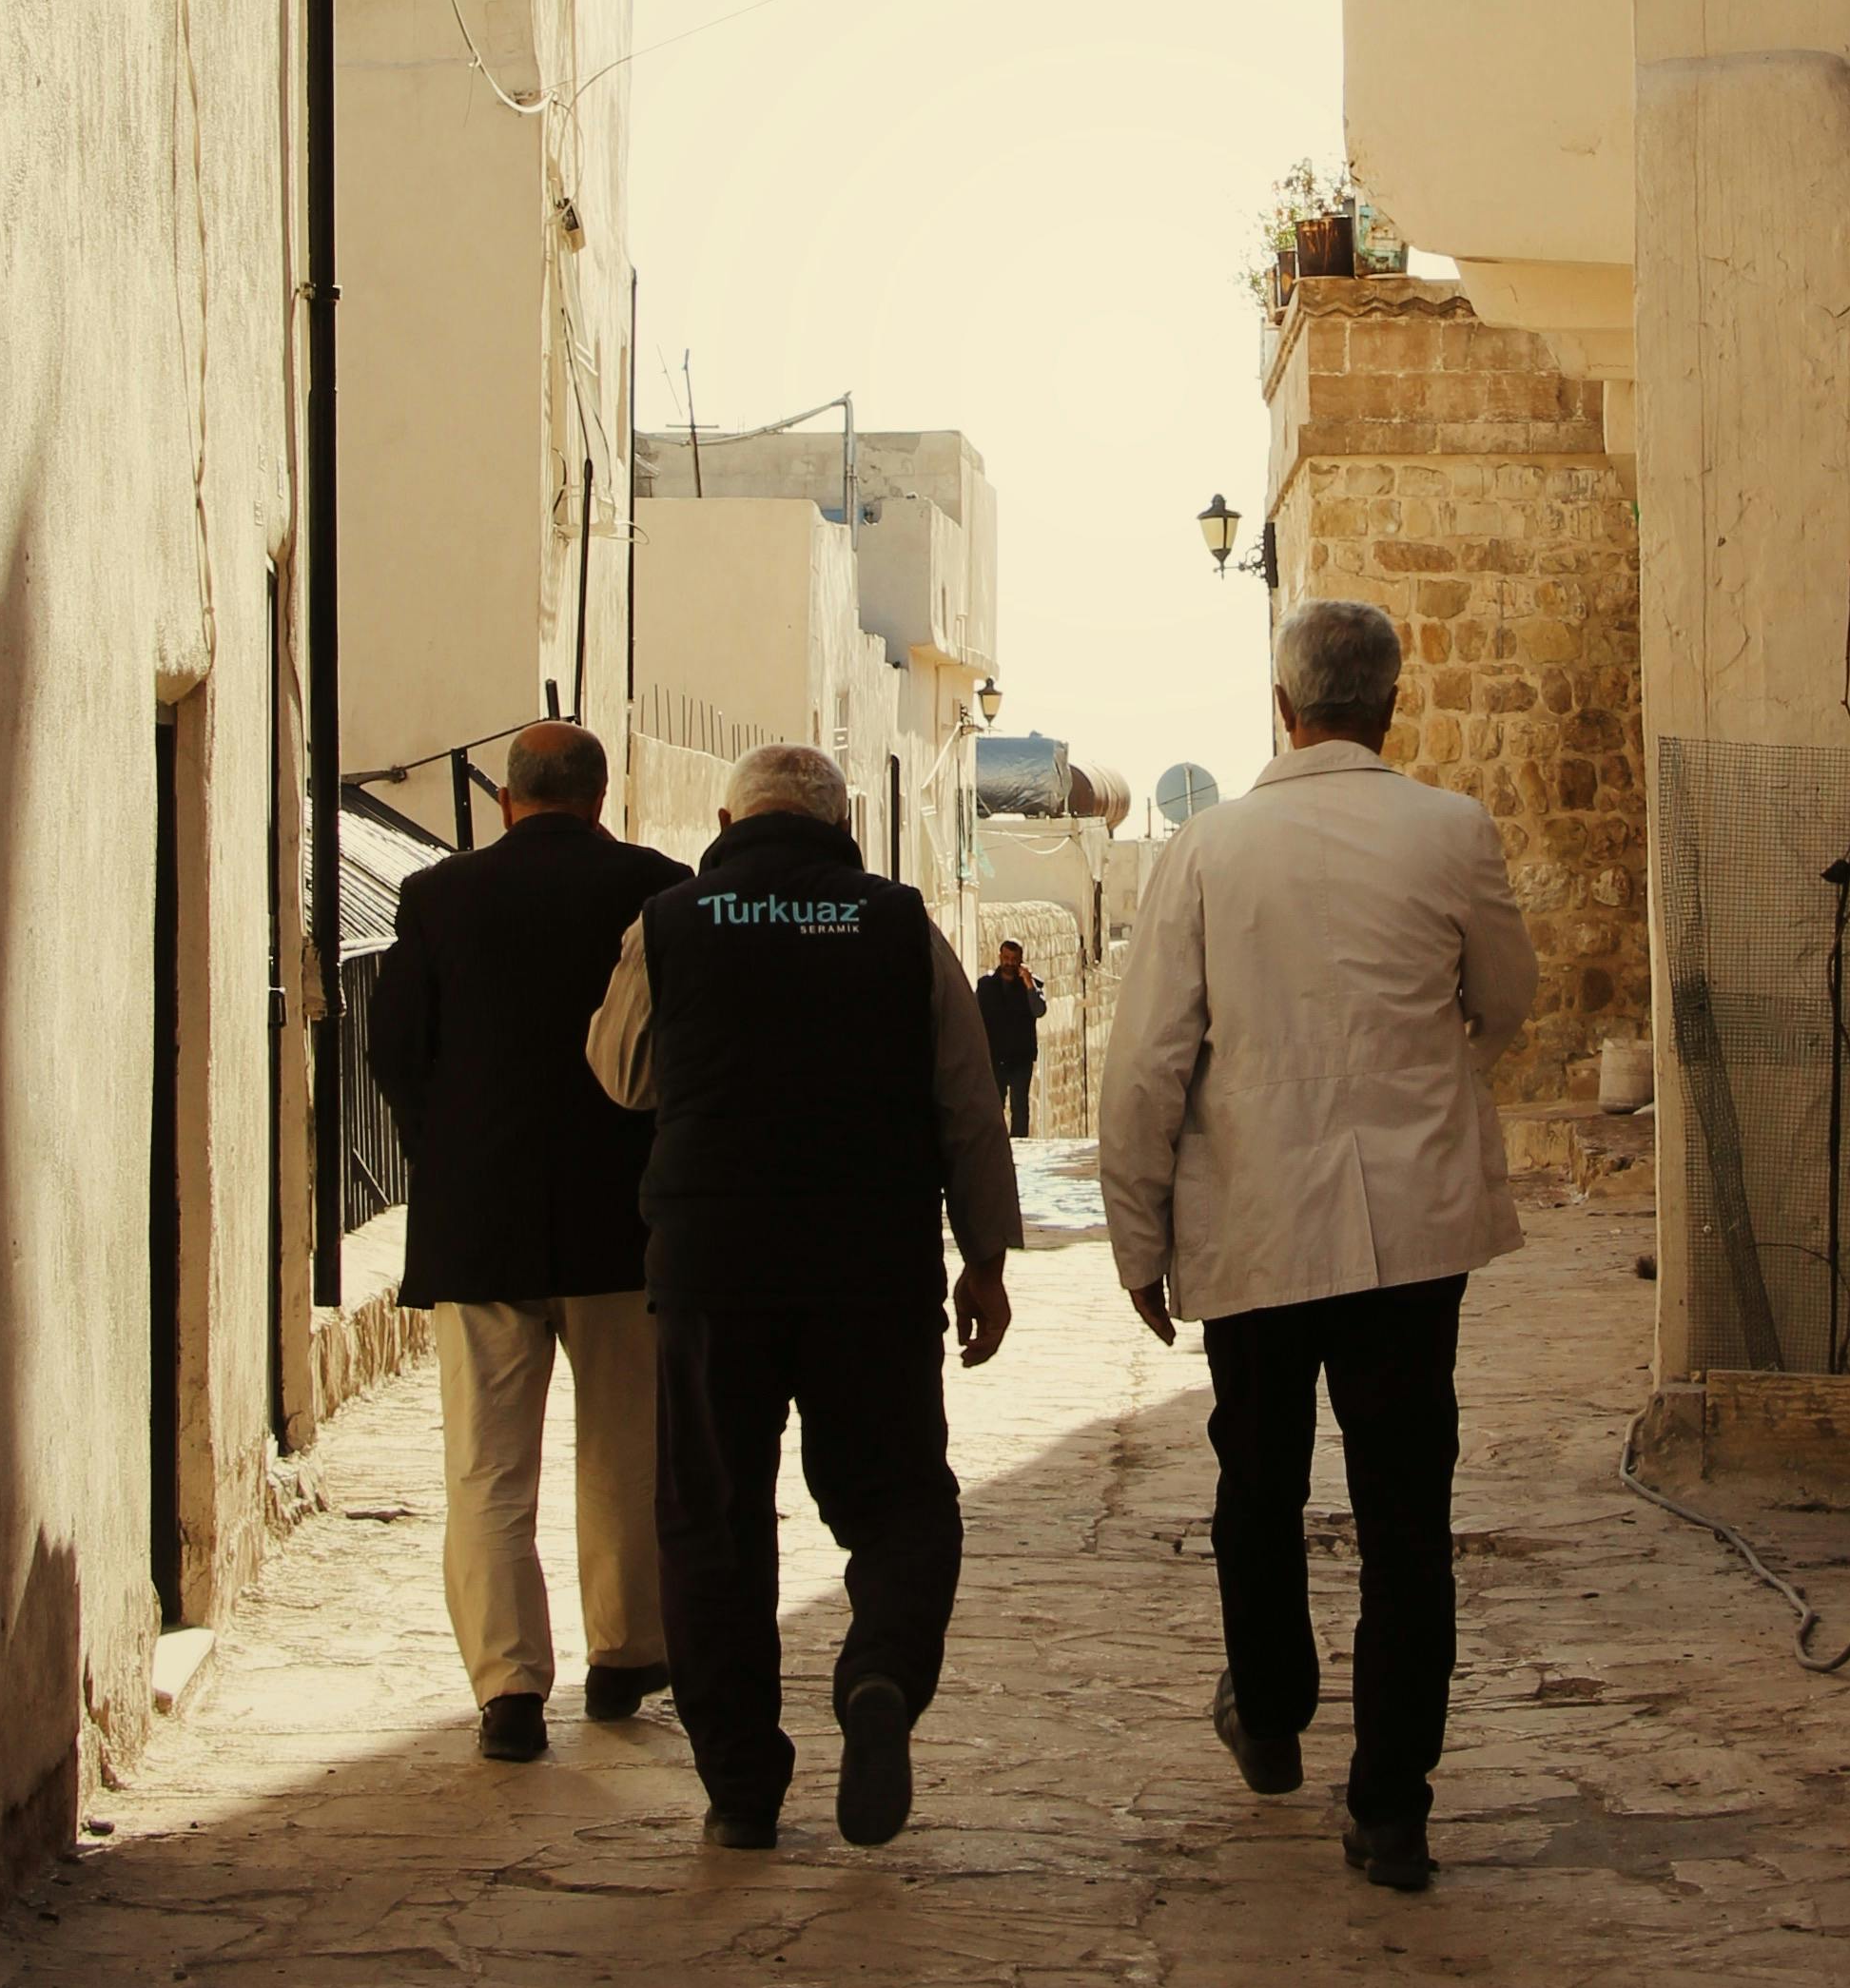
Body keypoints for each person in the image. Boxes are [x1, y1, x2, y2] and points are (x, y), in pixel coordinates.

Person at [1097, 597, 1537, 1895]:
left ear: (1282, 706)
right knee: (1409, 1515)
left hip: (1255, 1222)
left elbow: (1148, 1065)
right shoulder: (1452, 832)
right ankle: (1392, 1805)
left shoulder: (1209, 849)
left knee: (1258, 1476)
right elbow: (1504, 1000)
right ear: (1392, 702)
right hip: (1411, 1226)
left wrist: (1137, 1239)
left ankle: (1275, 1708)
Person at [587, 743, 1021, 1855]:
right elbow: (968, 1103)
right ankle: (877, 1673)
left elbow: (620, 1071)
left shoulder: (670, 922)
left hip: (711, 1266)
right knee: (900, 1504)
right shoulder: (899, 926)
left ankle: (741, 1789)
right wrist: (984, 1256)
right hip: (868, 1267)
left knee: (712, 1522)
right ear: (843, 825)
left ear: (730, 819)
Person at [370, 719, 688, 1764]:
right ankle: (626, 1651)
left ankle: (509, 1687)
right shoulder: (658, 891)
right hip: (621, 1220)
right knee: (624, 1448)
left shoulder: (440, 896)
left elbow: (397, 1052)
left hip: (483, 1226)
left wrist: (450, 1155)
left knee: (488, 1467)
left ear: (508, 798)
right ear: (602, 797)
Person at [975, 936, 1047, 1138]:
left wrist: (1029, 984)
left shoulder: (1032, 985)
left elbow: (1039, 1010)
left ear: (1020, 959)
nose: (1009, 963)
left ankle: (1019, 1143)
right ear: (1000, 957)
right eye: (1006, 958)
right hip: (995, 1055)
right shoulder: (986, 986)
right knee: (994, 1104)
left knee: (1020, 1106)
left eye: (1013, 959)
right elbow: (975, 1014)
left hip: (1020, 1057)